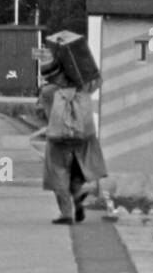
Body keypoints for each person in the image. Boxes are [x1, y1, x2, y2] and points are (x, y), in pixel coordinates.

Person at [38, 63, 108, 224]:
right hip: (83, 138)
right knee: (78, 171)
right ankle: (77, 195)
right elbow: (98, 80)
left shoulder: (48, 91)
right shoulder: (82, 88)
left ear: (48, 76)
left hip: (58, 140)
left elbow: (40, 112)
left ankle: (66, 214)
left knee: (59, 174)